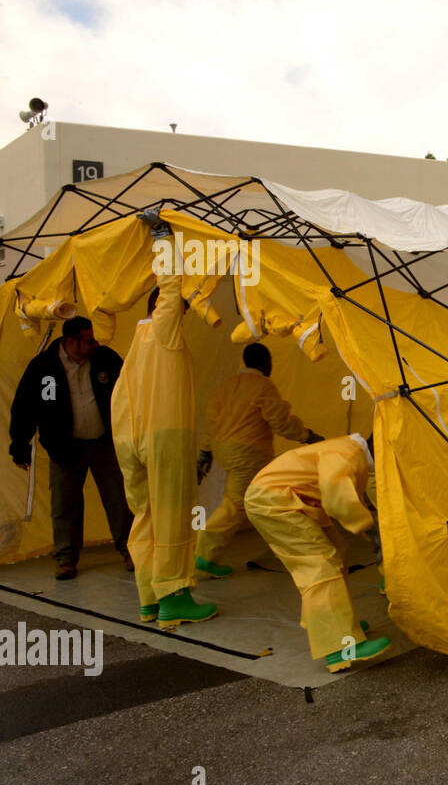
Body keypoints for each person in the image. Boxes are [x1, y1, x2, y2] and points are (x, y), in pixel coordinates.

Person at [112, 275, 217, 628]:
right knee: (172, 516)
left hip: (130, 436)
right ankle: (174, 598)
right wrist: (164, 241)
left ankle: (149, 599)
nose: (186, 310)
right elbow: (171, 290)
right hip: (165, 436)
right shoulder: (162, 331)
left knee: (145, 516)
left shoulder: (136, 344)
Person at [244, 433, 389, 672]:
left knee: (338, 550)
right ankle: (339, 646)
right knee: (320, 565)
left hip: (285, 498)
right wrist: (364, 524)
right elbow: (334, 488)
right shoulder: (350, 453)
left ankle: (336, 624)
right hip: (276, 501)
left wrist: (361, 523)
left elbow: (329, 487)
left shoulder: (348, 449)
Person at [8, 317, 134, 579]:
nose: (94, 344)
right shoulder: (43, 367)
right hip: (64, 447)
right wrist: (20, 445)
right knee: (65, 505)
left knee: (119, 499)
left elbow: (129, 391)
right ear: (70, 341)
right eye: (88, 340)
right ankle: (66, 558)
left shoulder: (105, 360)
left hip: (104, 443)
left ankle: (131, 550)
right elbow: (24, 407)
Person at [194, 343, 322, 576]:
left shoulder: (226, 387)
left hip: (223, 448)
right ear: (264, 361)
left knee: (265, 496)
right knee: (238, 504)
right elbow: (279, 420)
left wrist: (205, 452)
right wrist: (307, 436)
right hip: (247, 451)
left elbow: (211, 421)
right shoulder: (263, 386)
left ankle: (286, 547)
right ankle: (203, 556)